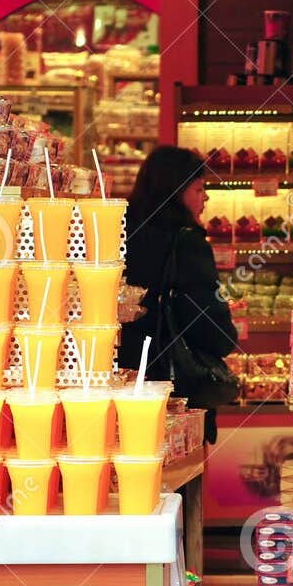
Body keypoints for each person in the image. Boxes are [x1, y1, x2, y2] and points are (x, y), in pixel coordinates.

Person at [117, 146, 239, 443]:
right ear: (176, 191)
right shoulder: (187, 244)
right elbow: (210, 326)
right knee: (175, 479)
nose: (205, 197)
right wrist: (227, 337)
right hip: (173, 392)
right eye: (199, 188)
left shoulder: (118, 230)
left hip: (119, 381)